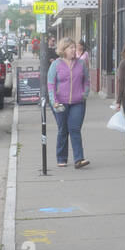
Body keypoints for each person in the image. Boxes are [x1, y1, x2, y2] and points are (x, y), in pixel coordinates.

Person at [47, 38, 90, 169]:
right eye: (71, 48)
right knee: (63, 130)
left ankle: (79, 159)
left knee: (75, 129)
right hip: (60, 103)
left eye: (74, 47)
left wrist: (84, 94)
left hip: (78, 102)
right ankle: (61, 157)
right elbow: (51, 84)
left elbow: (87, 81)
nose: (74, 50)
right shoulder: (56, 64)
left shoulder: (81, 63)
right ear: (63, 50)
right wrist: (54, 101)